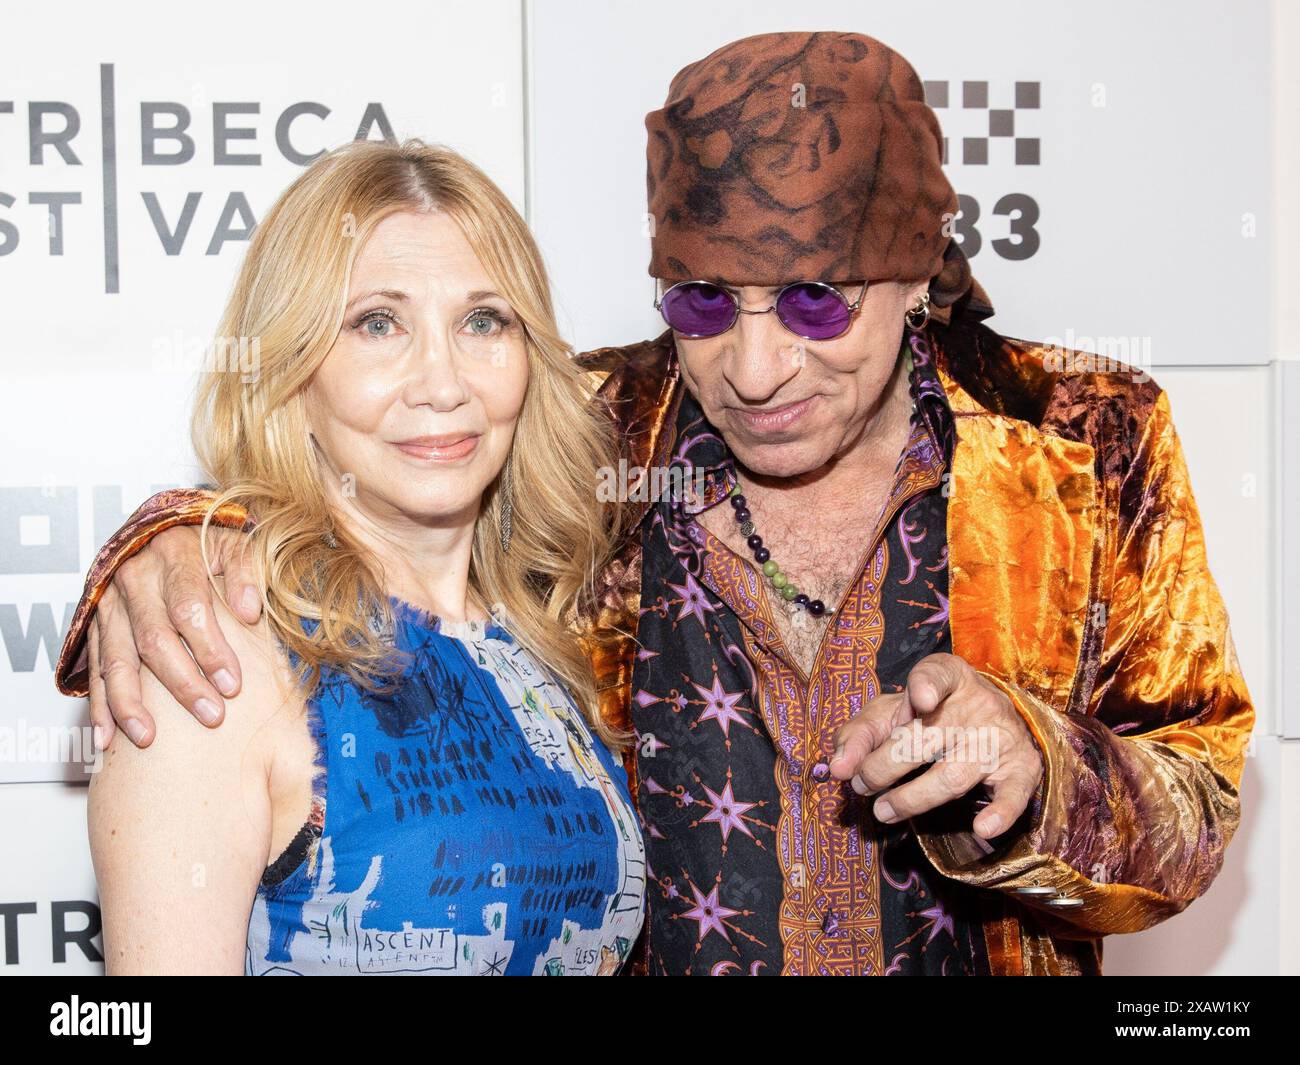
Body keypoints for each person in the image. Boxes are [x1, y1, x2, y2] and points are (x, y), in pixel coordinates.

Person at [57, 31, 1252, 976]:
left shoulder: (1084, 443)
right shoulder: (581, 425)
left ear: (917, 274)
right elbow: (368, 449)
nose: (755, 367)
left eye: (816, 304)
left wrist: (1037, 764)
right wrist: (171, 544)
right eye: (700, 304)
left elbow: (1197, 808)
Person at [79, 139, 645, 975]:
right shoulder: (211, 657)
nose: (442, 381)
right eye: (378, 323)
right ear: (291, 370)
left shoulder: (540, 640)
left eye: (483, 320)